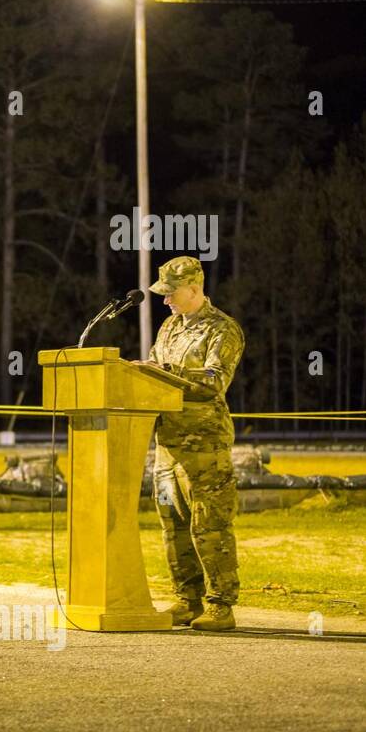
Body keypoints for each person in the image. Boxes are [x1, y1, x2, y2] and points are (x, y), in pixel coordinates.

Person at [132, 256, 246, 631]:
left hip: (205, 449)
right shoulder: (169, 327)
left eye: (170, 293)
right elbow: (154, 369)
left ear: (194, 289)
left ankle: (220, 604)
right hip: (168, 446)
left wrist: (163, 372)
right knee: (174, 528)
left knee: (210, 526)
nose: (165, 301)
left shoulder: (223, 330)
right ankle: (187, 600)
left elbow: (214, 381)